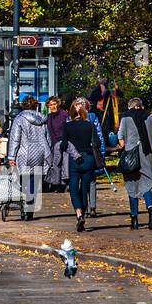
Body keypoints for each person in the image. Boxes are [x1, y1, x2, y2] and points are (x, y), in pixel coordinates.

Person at [116, 96, 152, 229]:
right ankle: (151, 210)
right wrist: (151, 149)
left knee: (132, 187)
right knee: (148, 184)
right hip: (148, 156)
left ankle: (134, 220)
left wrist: (124, 148)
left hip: (131, 157)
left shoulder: (125, 118)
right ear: (141, 106)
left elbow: (121, 138)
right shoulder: (150, 117)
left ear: (129, 107)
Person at [6, 95, 48, 220]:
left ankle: (25, 203)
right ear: (35, 106)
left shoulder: (19, 119)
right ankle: (30, 208)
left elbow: (15, 138)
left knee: (23, 179)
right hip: (39, 152)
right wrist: (48, 154)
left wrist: (11, 156)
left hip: (24, 152)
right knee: (34, 181)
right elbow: (47, 137)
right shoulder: (42, 119)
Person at [64, 97, 99, 232]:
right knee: (84, 188)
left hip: (74, 160)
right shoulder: (90, 125)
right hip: (88, 159)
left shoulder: (67, 126)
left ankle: (79, 214)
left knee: (73, 188)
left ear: (71, 113)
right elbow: (97, 143)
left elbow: (64, 144)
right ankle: (84, 213)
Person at [43, 96, 71, 191]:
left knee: (65, 164)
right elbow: (50, 132)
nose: (53, 106)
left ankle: (65, 184)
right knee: (56, 164)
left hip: (64, 142)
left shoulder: (64, 115)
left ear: (58, 104)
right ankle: (57, 184)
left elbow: (67, 129)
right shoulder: (49, 117)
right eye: (51, 105)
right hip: (54, 143)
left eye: (54, 104)